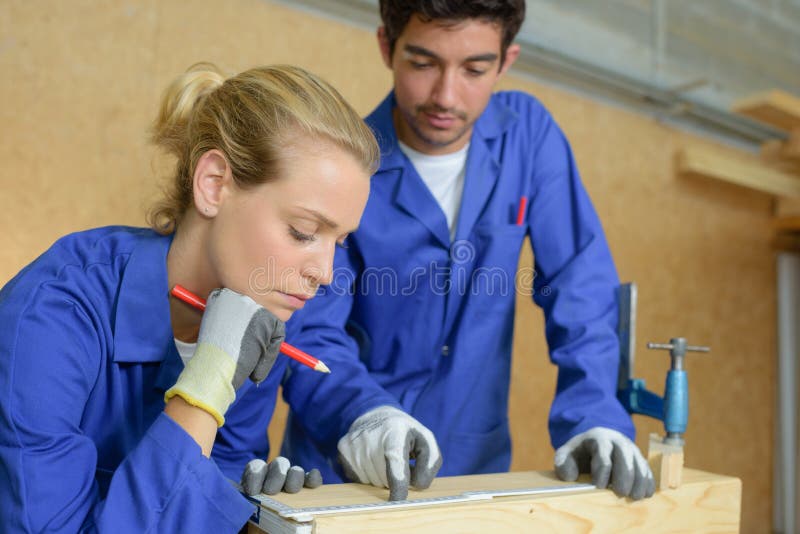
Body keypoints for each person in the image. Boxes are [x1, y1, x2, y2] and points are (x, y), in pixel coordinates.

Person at [279, 0, 655, 502]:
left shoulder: (528, 136)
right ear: (387, 47)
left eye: (475, 69)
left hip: (473, 470)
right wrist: (364, 415)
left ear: (506, 60)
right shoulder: (346, 163)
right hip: (342, 471)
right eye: (422, 63)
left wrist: (594, 415)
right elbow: (312, 330)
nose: (445, 95)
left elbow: (578, 285)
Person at [0, 63, 378, 532]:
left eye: (338, 242)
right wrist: (203, 392)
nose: (324, 274)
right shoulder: (49, 318)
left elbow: (217, 469)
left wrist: (245, 506)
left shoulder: (261, 309)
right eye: (302, 232)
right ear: (214, 184)